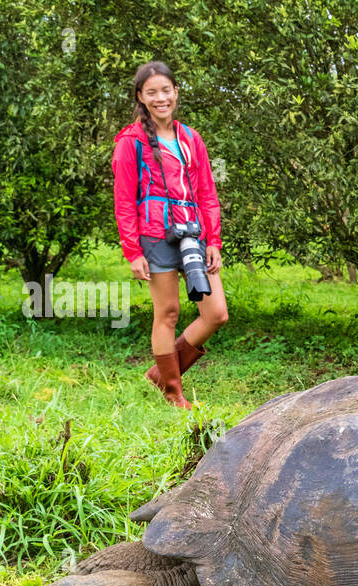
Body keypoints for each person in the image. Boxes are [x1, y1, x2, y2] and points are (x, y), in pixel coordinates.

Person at [112, 60, 228, 409]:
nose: (161, 98)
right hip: (154, 234)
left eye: (166, 90)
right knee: (168, 313)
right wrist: (132, 251)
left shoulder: (191, 138)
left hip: (193, 233)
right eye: (152, 92)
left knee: (216, 313)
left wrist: (213, 240)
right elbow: (123, 200)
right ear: (140, 97)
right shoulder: (130, 142)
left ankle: (158, 374)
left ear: (176, 92)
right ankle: (173, 392)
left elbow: (207, 193)